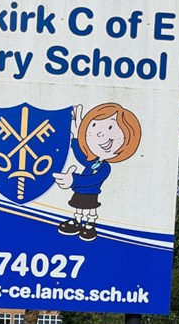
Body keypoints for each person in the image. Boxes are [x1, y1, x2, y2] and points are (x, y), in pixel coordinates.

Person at [52, 102, 142, 242]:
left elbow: (92, 180)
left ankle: (90, 224)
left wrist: (74, 180)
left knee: (90, 208)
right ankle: (77, 221)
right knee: (78, 207)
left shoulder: (105, 167)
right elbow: (81, 157)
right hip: (80, 192)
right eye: (93, 126)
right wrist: (76, 137)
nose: (99, 134)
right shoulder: (92, 162)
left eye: (111, 127)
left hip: (91, 194)